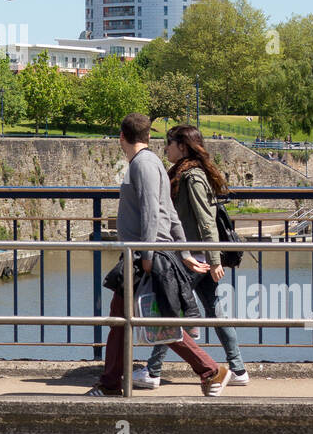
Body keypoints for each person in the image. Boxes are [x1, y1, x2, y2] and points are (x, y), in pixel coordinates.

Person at [86, 113, 228, 397]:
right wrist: (184, 251)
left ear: (121, 138)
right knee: (125, 318)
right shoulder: (151, 164)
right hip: (146, 253)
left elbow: (153, 211)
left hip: (145, 256)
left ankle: (211, 369)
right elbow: (170, 213)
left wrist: (149, 254)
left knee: (148, 321)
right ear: (148, 136)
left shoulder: (144, 165)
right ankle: (112, 382)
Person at [135, 125, 249, 390]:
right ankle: (239, 369)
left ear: (183, 146)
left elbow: (206, 222)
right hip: (195, 256)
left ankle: (153, 371)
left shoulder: (192, 177)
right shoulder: (182, 174)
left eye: (169, 143)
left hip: (193, 258)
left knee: (169, 310)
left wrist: (215, 260)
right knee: (215, 311)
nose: (165, 148)